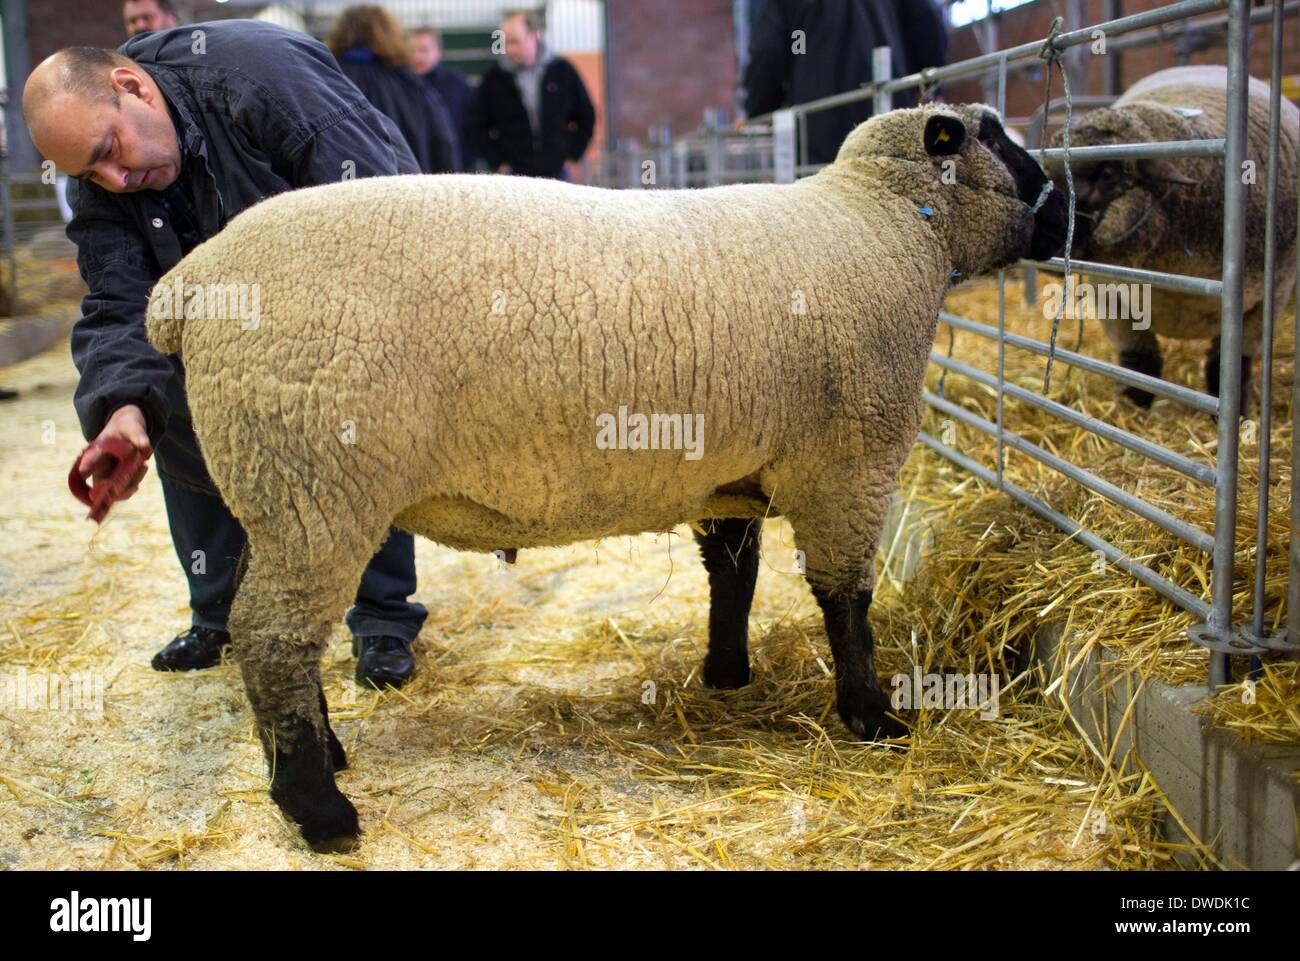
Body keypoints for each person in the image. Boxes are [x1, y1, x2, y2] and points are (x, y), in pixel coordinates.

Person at [22, 20, 428, 688]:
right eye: (89, 172)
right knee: (175, 404)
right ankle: (220, 614)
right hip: (213, 312)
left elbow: (388, 211)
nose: (116, 179)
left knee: (354, 425)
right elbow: (122, 303)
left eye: (109, 149)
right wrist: (121, 409)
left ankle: (381, 617)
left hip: (332, 283)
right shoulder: (108, 180)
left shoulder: (264, 79)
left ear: (131, 88)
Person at [745, 0, 949, 166]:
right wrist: (929, 88)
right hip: (891, 119)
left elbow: (767, 50)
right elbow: (928, 21)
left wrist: (760, 109)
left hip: (817, 133)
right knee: (893, 207)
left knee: (822, 211)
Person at [325, 5, 459, 174]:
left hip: (343, 188)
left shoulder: (328, 78)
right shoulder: (409, 82)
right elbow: (443, 141)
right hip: (407, 187)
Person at [469, 10, 594, 180]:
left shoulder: (563, 72)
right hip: (515, 176)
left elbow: (587, 116)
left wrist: (573, 155)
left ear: (534, 36)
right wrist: (497, 162)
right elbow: (478, 126)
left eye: (515, 42)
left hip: (558, 173)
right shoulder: (494, 80)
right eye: (506, 43)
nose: (510, 49)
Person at [410, 26, 478, 172]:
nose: (417, 57)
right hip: (414, 170)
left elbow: (473, 126)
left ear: (438, 52)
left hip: (456, 169)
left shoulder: (457, 84)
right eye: (412, 51)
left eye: (423, 50)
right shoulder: (400, 86)